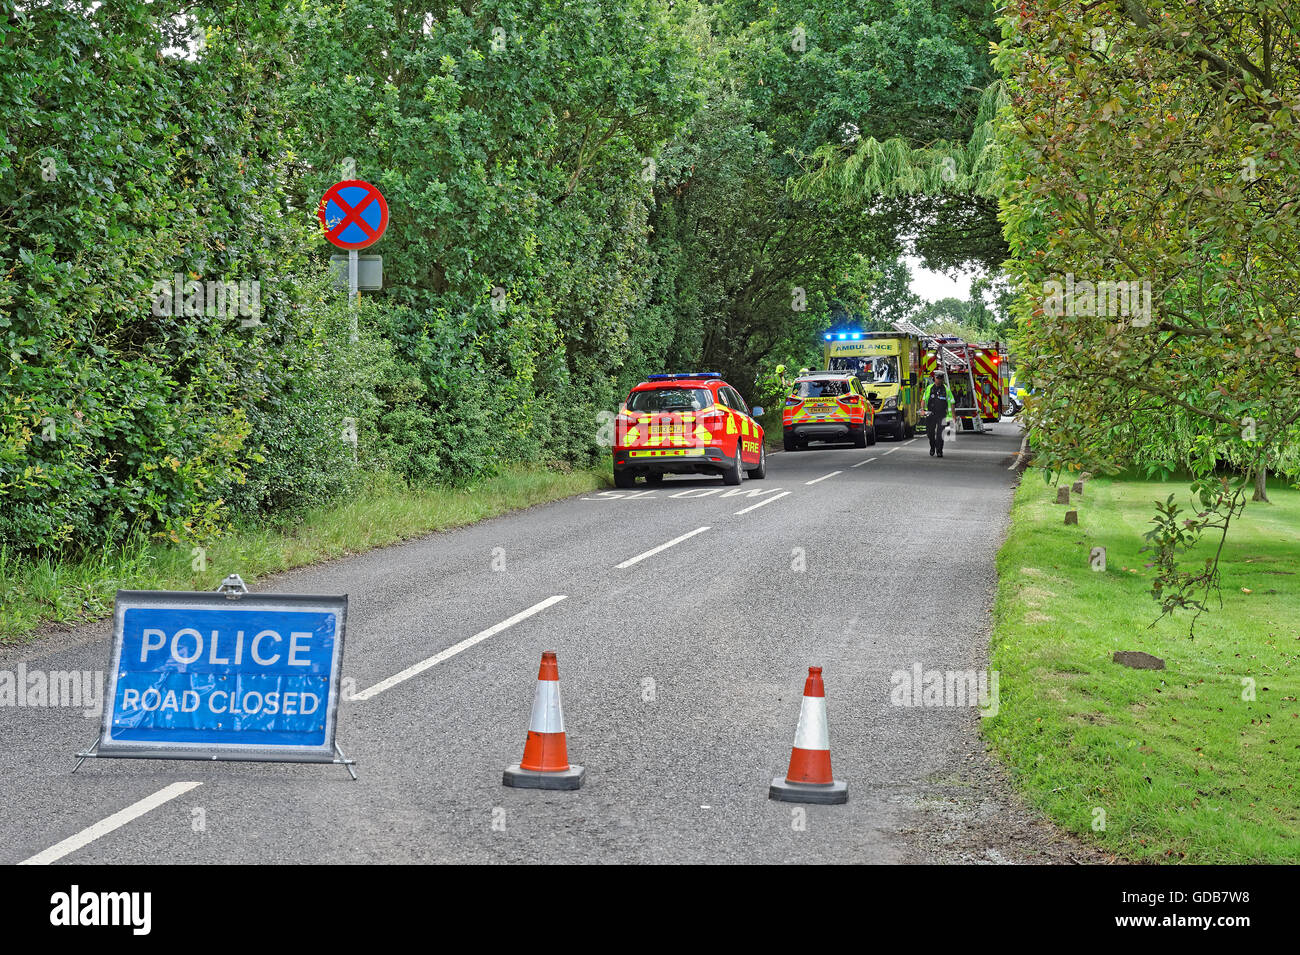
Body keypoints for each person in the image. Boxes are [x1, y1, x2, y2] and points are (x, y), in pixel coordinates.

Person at [923, 372, 953, 457]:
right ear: (934, 379)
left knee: (940, 434)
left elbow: (952, 402)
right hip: (930, 414)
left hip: (942, 415)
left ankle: (939, 451)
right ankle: (933, 447)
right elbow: (923, 400)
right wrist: (922, 410)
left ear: (942, 379)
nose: (939, 380)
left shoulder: (946, 389)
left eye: (940, 379)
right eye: (937, 379)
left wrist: (952, 416)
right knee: (930, 434)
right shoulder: (929, 388)